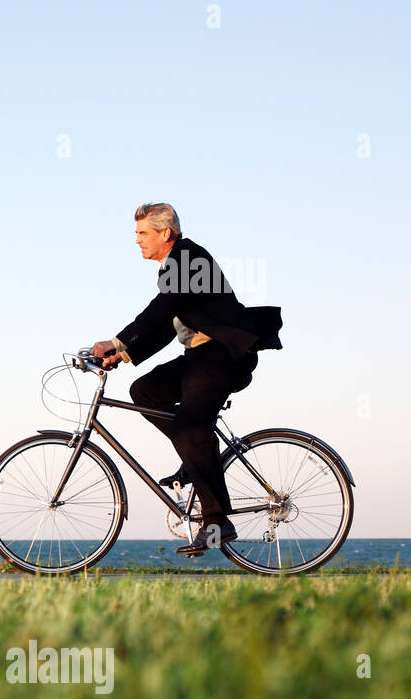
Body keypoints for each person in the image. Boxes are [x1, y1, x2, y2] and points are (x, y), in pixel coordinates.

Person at [91, 203, 283, 556]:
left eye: (142, 233)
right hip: (201, 356)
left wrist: (114, 341)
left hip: (223, 356)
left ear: (165, 233)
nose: (136, 241)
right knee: (145, 390)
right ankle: (197, 456)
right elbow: (167, 323)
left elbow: (162, 309)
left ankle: (216, 521)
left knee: (187, 430)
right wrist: (124, 353)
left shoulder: (189, 258)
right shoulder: (175, 264)